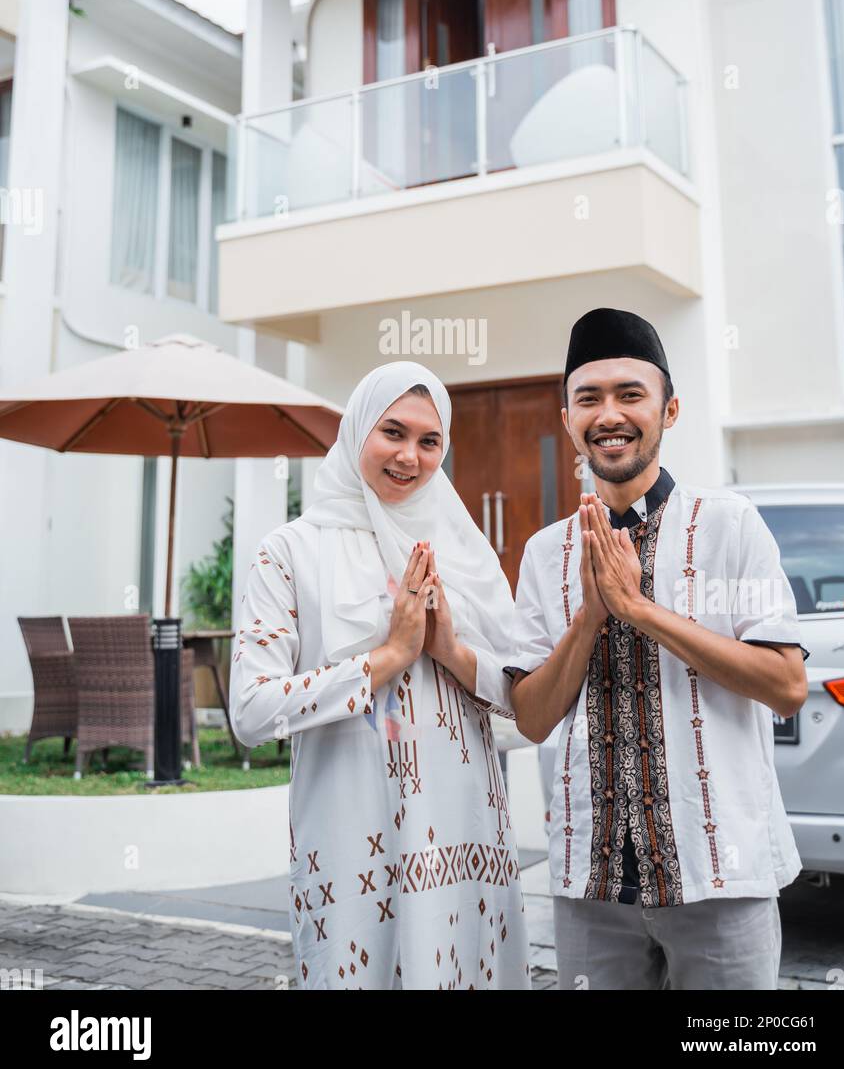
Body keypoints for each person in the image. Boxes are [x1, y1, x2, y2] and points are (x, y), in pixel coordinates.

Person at [507, 307, 809, 990]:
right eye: (588, 398)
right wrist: (591, 615)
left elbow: (786, 684)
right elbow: (529, 717)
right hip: (592, 883)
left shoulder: (730, 524)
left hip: (719, 875)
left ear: (669, 410)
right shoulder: (545, 552)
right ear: (567, 420)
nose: (608, 413)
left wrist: (641, 611)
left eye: (629, 394)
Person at [229, 360, 531, 990]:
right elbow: (252, 712)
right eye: (392, 433)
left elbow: (522, 699)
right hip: (351, 836)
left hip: (461, 834)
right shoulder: (290, 551)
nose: (409, 457)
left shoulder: (464, 551)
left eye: (429, 441)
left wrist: (450, 651)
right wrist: (386, 659)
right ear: (357, 431)